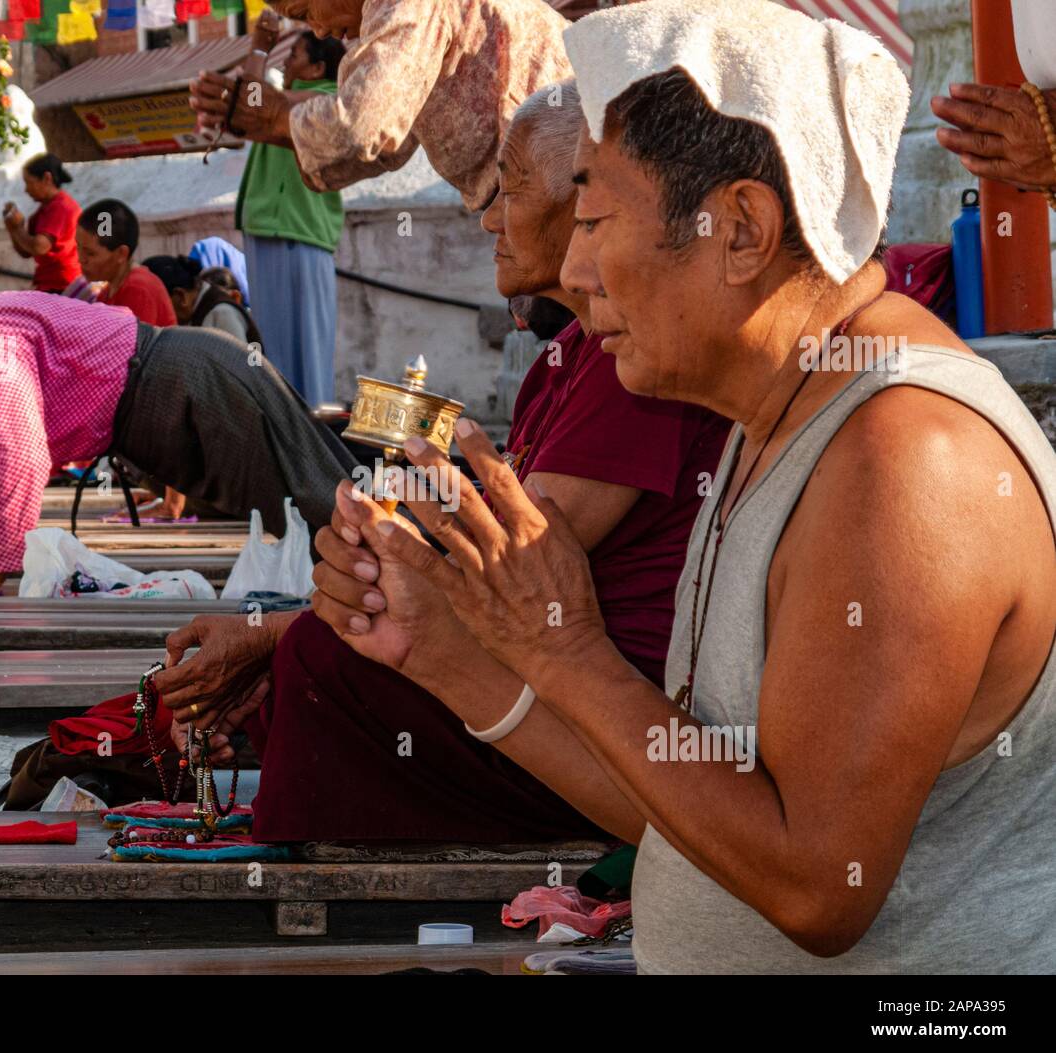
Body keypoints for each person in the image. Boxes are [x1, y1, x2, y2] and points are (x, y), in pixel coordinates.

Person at [314, 1, 1056, 974]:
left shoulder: (904, 455)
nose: (573, 272)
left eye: (593, 217)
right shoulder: (775, 418)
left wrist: (566, 647)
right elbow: (689, 808)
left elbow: (813, 885)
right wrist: (454, 659)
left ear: (740, 228)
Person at [151, 83, 728, 844]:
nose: (488, 218)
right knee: (319, 648)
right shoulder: (570, 356)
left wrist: (287, 631)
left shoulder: (637, 365)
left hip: (617, 713)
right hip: (552, 672)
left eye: (513, 192)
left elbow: (508, 572)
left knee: (326, 660)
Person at [0, 277, 356, 592]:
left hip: (196, 385)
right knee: (316, 519)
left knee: (327, 510)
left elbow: (22, 453)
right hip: (178, 398)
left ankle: (420, 593)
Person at [189, 0, 574, 211]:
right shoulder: (376, 32)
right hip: (541, 190)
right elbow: (384, 144)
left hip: (570, 180)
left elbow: (362, 124)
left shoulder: (404, 3)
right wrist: (269, 123)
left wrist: (276, 117)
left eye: (306, 13)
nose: (319, 31)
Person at [232, 22, 347, 406]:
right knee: (274, 353)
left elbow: (248, 103)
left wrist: (261, 49)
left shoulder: (327, 98)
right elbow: (246, 110)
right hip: (268, 227)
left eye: (295, 54)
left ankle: (313, 444)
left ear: (317, 68)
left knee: (309, 355)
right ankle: (282, 434)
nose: (289, 62)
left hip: (300, 232)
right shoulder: (283, 101)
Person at [76, 199, 177, 327]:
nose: (81, 259)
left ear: (121, 254)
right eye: (78, 248)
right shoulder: (107, 292)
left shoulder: (138, 290)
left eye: (90, 253)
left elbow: (133, 345)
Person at [2, 153, 82, 293]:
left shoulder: (62, 207)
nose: (26, 190)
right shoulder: (43, 210)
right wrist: (13, 228)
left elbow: (39, 247)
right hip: (48, 283)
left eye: (29, 183)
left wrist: (18, 228)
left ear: (47, 178)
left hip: (63, 284)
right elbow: (26, 251)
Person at [143, 255, 262, 346]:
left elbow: (243, 367)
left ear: (181, 297)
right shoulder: (198, 311)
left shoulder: (222, 313)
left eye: (161, 303)